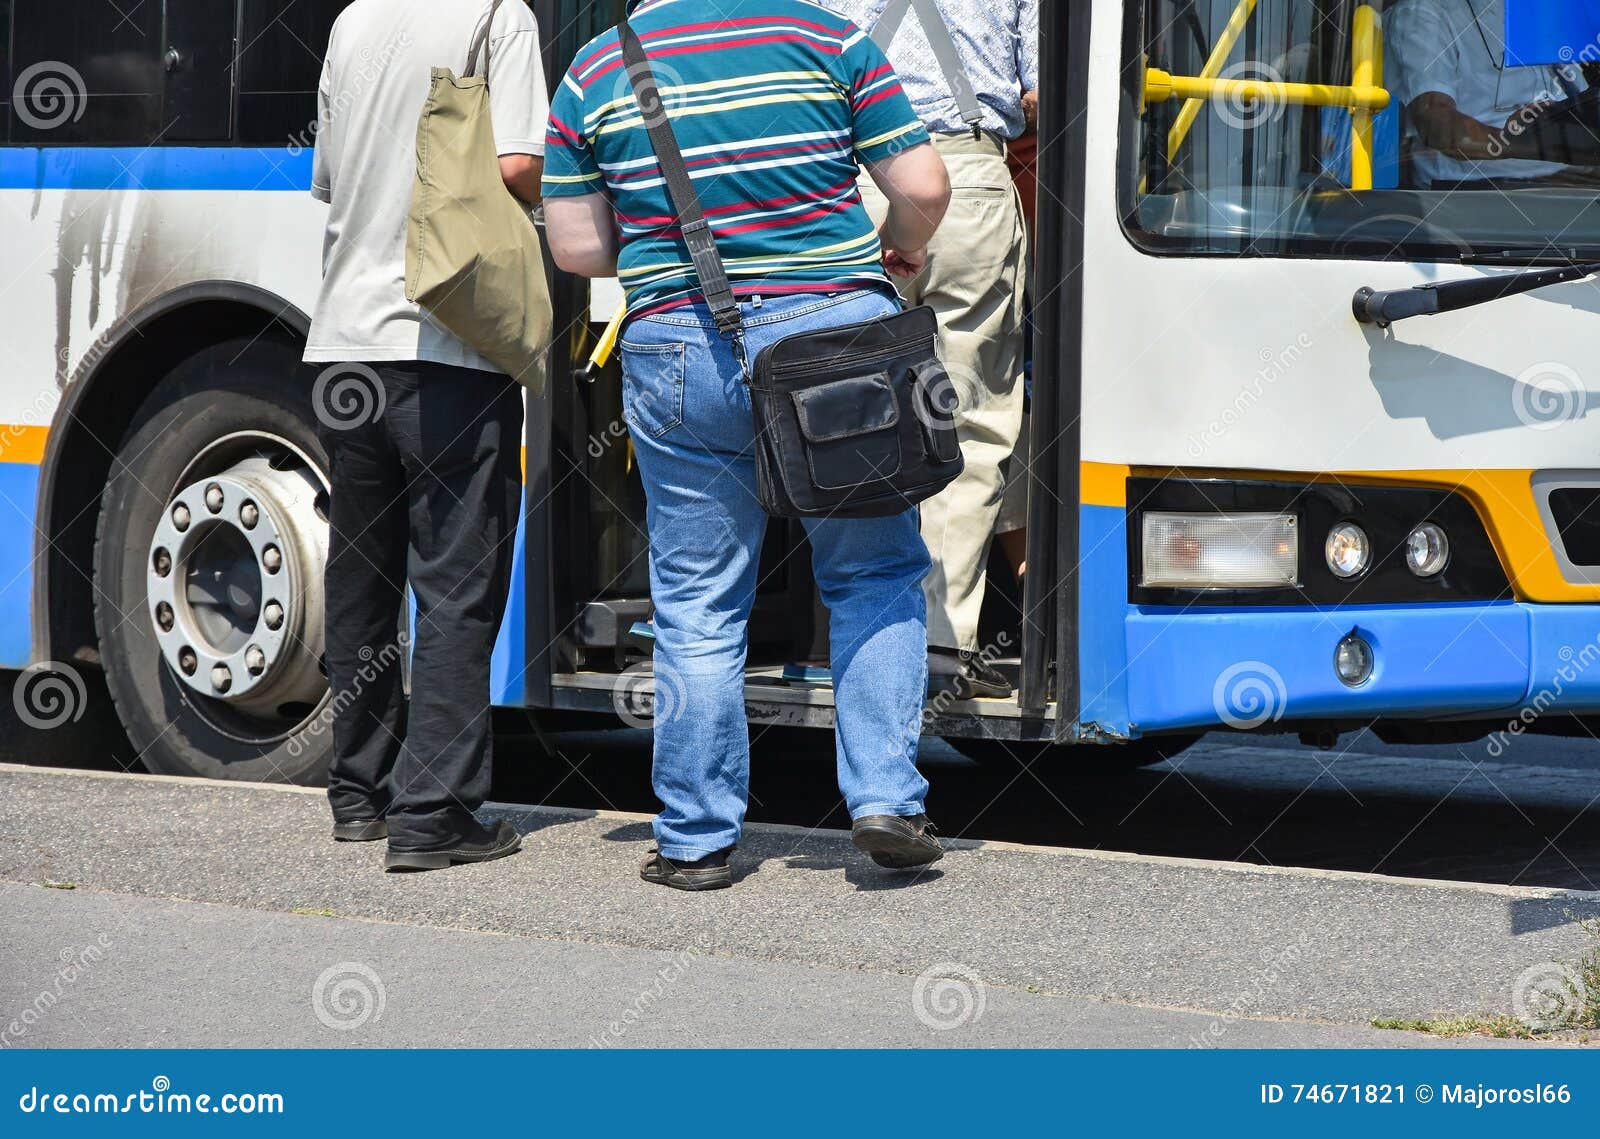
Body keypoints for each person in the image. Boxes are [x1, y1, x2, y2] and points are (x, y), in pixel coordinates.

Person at [543, 0, 951, 891]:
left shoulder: (597, 67)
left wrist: (666, 249)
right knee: (873, 572)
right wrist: (895, 249)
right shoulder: (824, 36)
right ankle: (885, 799)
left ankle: (694, 839)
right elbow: (921, 186)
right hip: (835, 339)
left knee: (696, 600)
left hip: (675, 344)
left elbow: (575, 247)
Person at [305, 0, 548, 872]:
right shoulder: (498, 14)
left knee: (362, 573)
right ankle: (435, 814)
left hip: (340, 346)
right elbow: (520, 163)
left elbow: (329, 178)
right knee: (455, 581)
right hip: (445, 346)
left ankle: (357, 795)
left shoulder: (352, 19)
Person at [819, 0, 1038, 700]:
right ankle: (942, 644)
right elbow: (1038, 93)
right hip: (969, 176)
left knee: (846, 415)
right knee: (968, 418)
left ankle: (858, 636)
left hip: (854, 179)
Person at [1389, 0, 1593, 188]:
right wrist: (1535, 144)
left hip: (1563, 176)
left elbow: (1581, 106)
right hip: (1477, 187)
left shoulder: (1544, 10)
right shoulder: (1423, 12)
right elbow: (1438, 127)